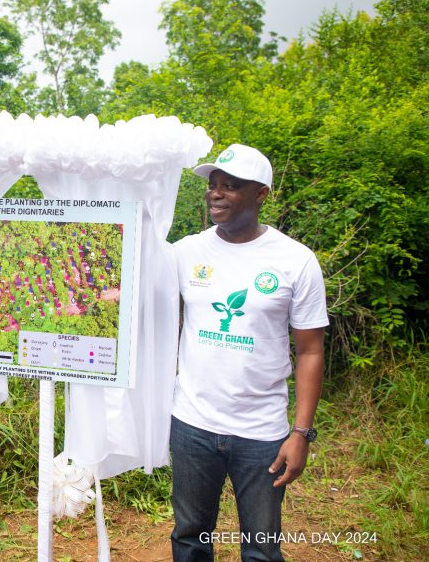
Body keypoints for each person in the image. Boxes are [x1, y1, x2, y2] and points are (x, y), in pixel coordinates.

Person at [170, 144, 328, 561]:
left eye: (231, 186)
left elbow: (310, 350)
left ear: (260, 195)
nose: (215, 194)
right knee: (189, 535)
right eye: (213, 185)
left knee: (260, 547)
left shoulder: (296, 261)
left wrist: (301, 433)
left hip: (261, 431)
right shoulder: (186, 252)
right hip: (192, 423)